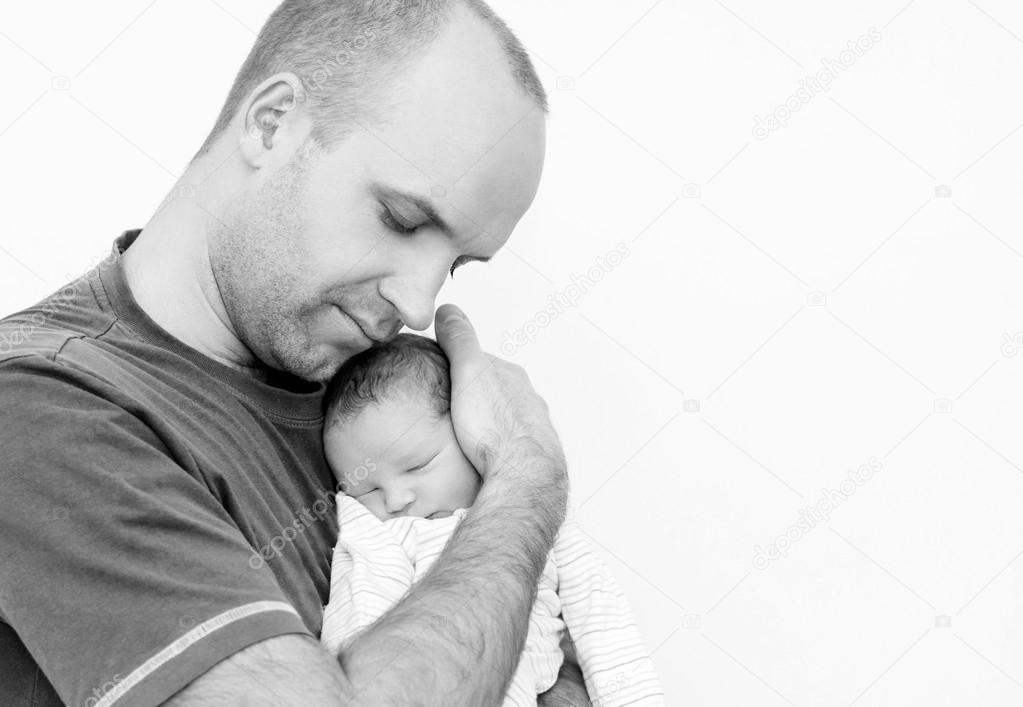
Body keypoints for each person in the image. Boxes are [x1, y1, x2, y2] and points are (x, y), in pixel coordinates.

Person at [0, 1, 589, 705]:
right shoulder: (40, 409)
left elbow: (554, 662)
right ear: (271, 123)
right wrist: (526, 481)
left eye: (457, 263)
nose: (416, 304)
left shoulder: (376, 396)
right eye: (400, 220)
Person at [318, 334, 665, 706]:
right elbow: (359, 616)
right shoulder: (382, 532)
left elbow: (603, 624)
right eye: (366, 489)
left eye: (418, 465)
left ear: (473, 436)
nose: (396, 499)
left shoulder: (538, 515)